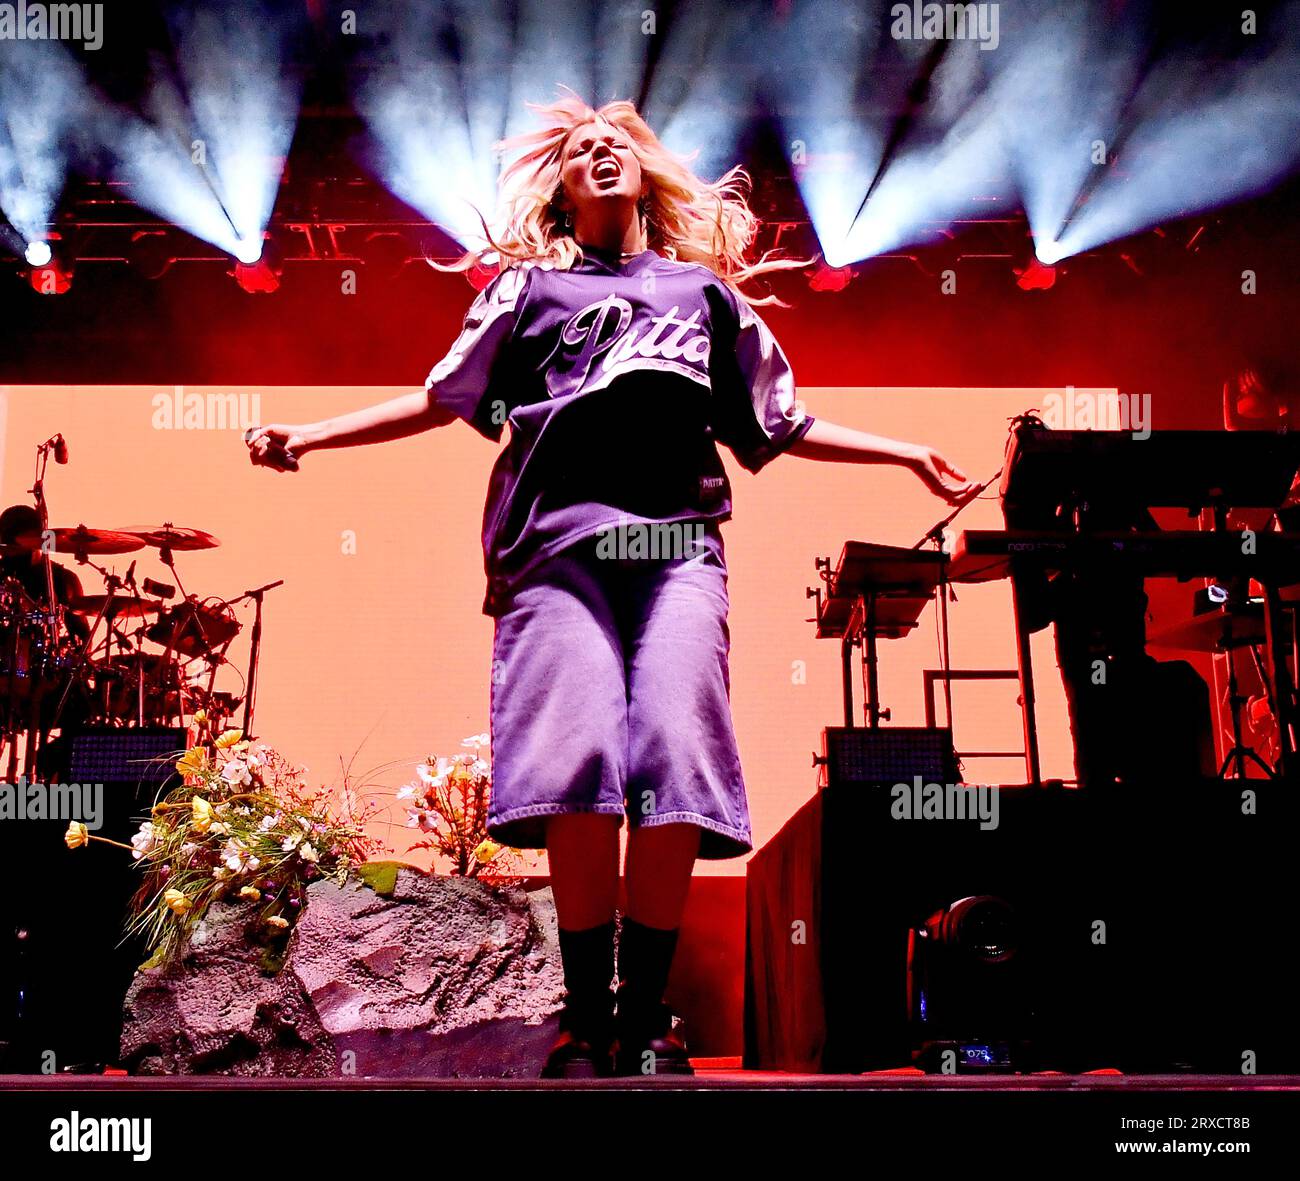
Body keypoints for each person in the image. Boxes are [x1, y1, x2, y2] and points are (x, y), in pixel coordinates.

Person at [246, 93, 974, 1079]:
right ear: (559, 188)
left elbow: (781, 419)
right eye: (579, 149)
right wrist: (305, 435)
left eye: (613, 144)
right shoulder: (523, 296)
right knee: (579, 762)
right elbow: (437, 398)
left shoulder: (699, 296)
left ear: (643, 172)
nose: (597, 154)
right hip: (555, 556)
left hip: (676, 555)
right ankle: (587, 1019)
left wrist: (907, 454)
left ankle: (646, 1016)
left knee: (674, 754)